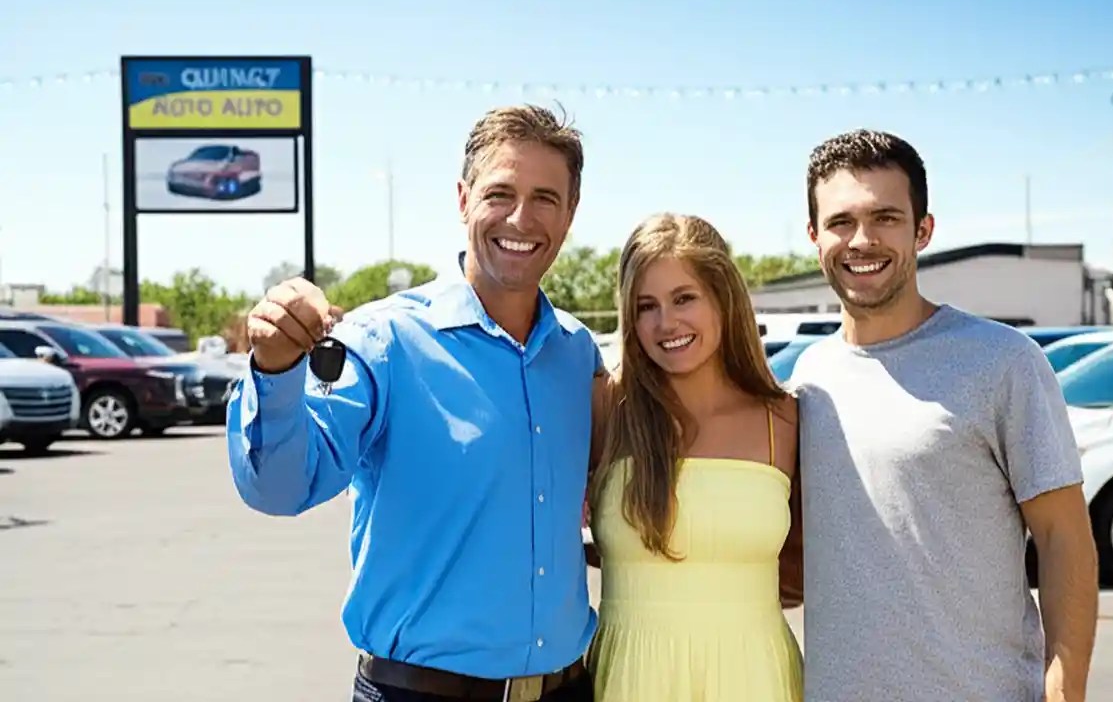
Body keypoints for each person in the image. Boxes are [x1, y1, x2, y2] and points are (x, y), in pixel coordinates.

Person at [226, 103, 602, 702]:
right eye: (500, 193)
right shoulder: (382, 343)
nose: (521, 218)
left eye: (545, 198)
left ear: (570, 213)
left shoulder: (579, 356)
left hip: (568, 689)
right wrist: (274, 371)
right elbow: (280, 488)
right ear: (462, 199)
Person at [789, 130, 1099, 702]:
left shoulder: (1003, 362)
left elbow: (1064, 539)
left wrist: (1065, 690)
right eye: (840, 222)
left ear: (923, 230)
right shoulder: (808, 378)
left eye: (886, 217)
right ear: (813, 236)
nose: (862, 240)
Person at [584, 213, 805, 702]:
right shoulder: (604, 408)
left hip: (756, 679)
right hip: (630, 681)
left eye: (684, 298)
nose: (666, 323)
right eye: (646, 306)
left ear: (723, 298)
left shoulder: (786, 419)